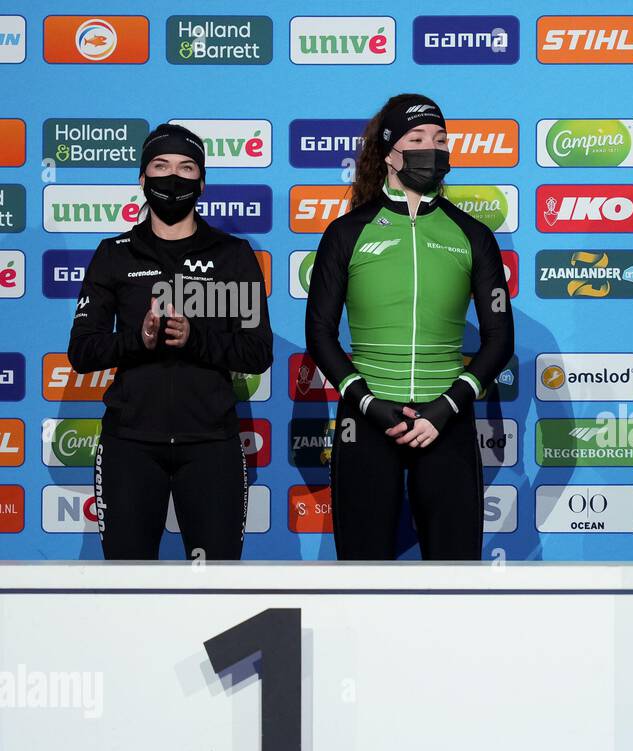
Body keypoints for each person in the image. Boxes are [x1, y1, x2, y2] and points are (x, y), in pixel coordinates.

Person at [305, 93, 514, 560]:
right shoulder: (346, 232)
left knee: (455, 579)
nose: (432, 149)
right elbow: (320, 334)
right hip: (367, 421)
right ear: (389, 153)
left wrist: (447, 407)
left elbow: (500, 339)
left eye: (440, 139)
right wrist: (370, 405)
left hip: (447, 422)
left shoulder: (473, 235)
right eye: (417, 138)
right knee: (362, 579)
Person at [68, 122, 272, 560]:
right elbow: (83, 351)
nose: (172, 177)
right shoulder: (114, 253)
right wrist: (138, 340)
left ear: (202, 181)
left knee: (217, 590)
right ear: (142, 179)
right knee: (127, 586)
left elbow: (258, 352)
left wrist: (195, 339)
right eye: (160, 166)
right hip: (130, 446)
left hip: (211, 446)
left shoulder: (233, 254)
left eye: (185, 166)